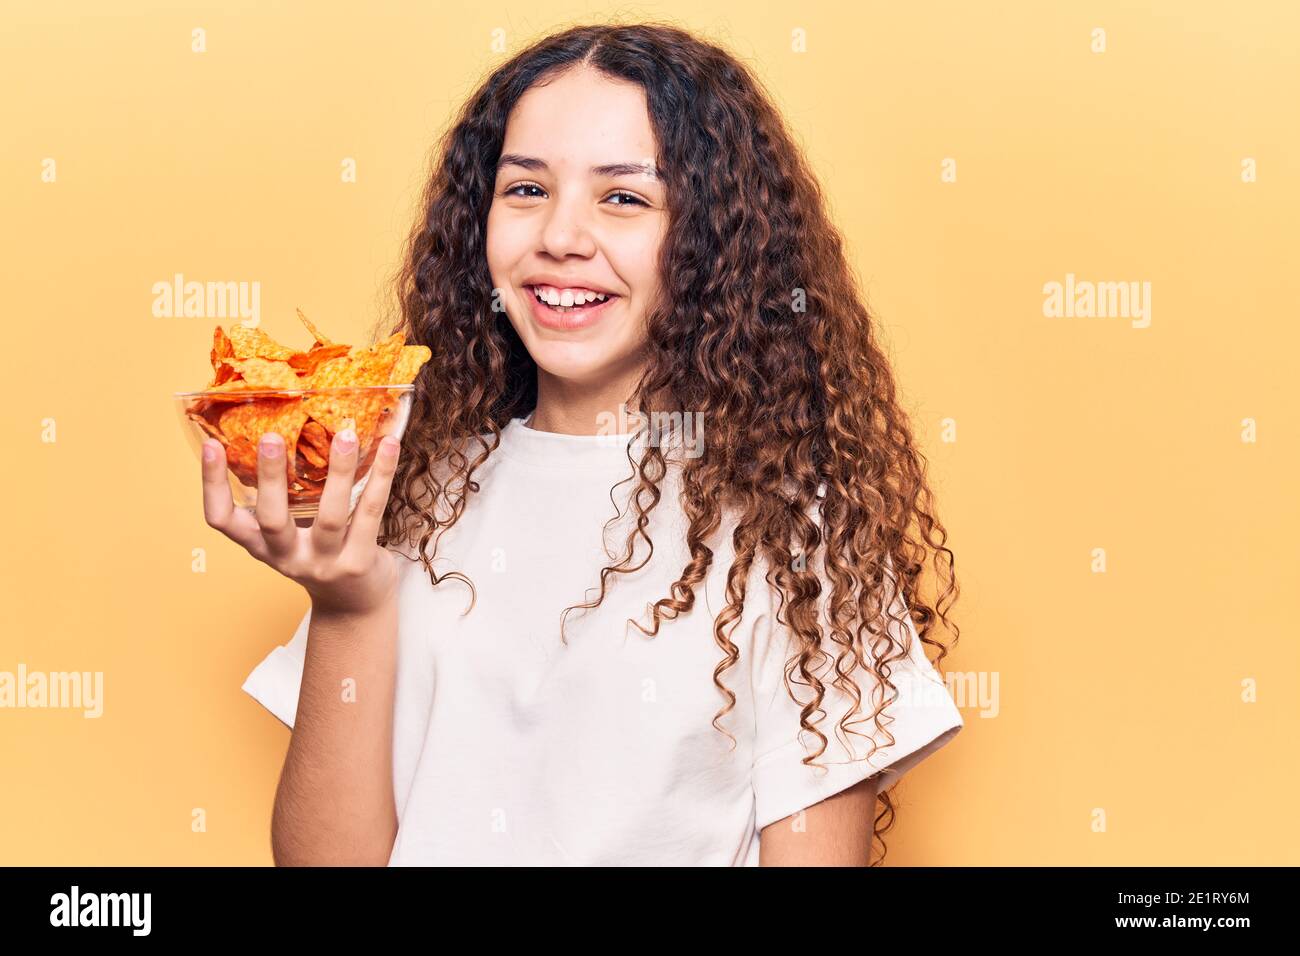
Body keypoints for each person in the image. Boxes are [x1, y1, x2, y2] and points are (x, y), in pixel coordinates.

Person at [209, 22, 965, 867]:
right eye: (525, 190)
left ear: (713, 242)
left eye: (625, 198)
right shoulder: (407, 489)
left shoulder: (792, 536)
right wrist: (348, 603)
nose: (561, 238)